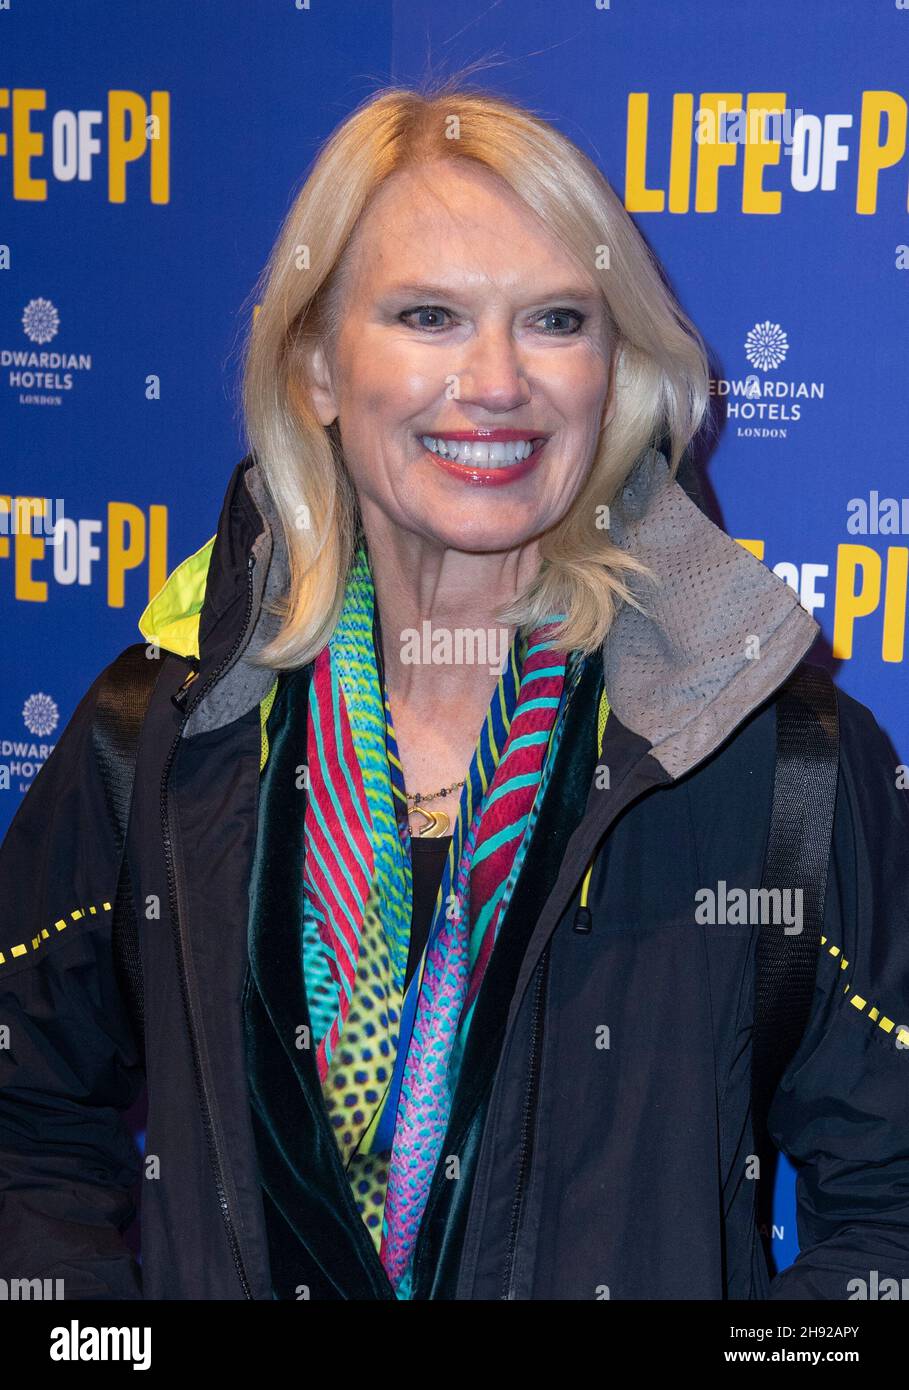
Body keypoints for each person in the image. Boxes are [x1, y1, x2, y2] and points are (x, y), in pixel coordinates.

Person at [1, 81, 908, 1302]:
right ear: (317, 366)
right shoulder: (155, 739)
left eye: (554, 321)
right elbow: (23, 1117)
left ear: (615, 370)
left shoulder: (774, 756)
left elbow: (893, 1211)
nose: (496, 383)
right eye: (429, 315)